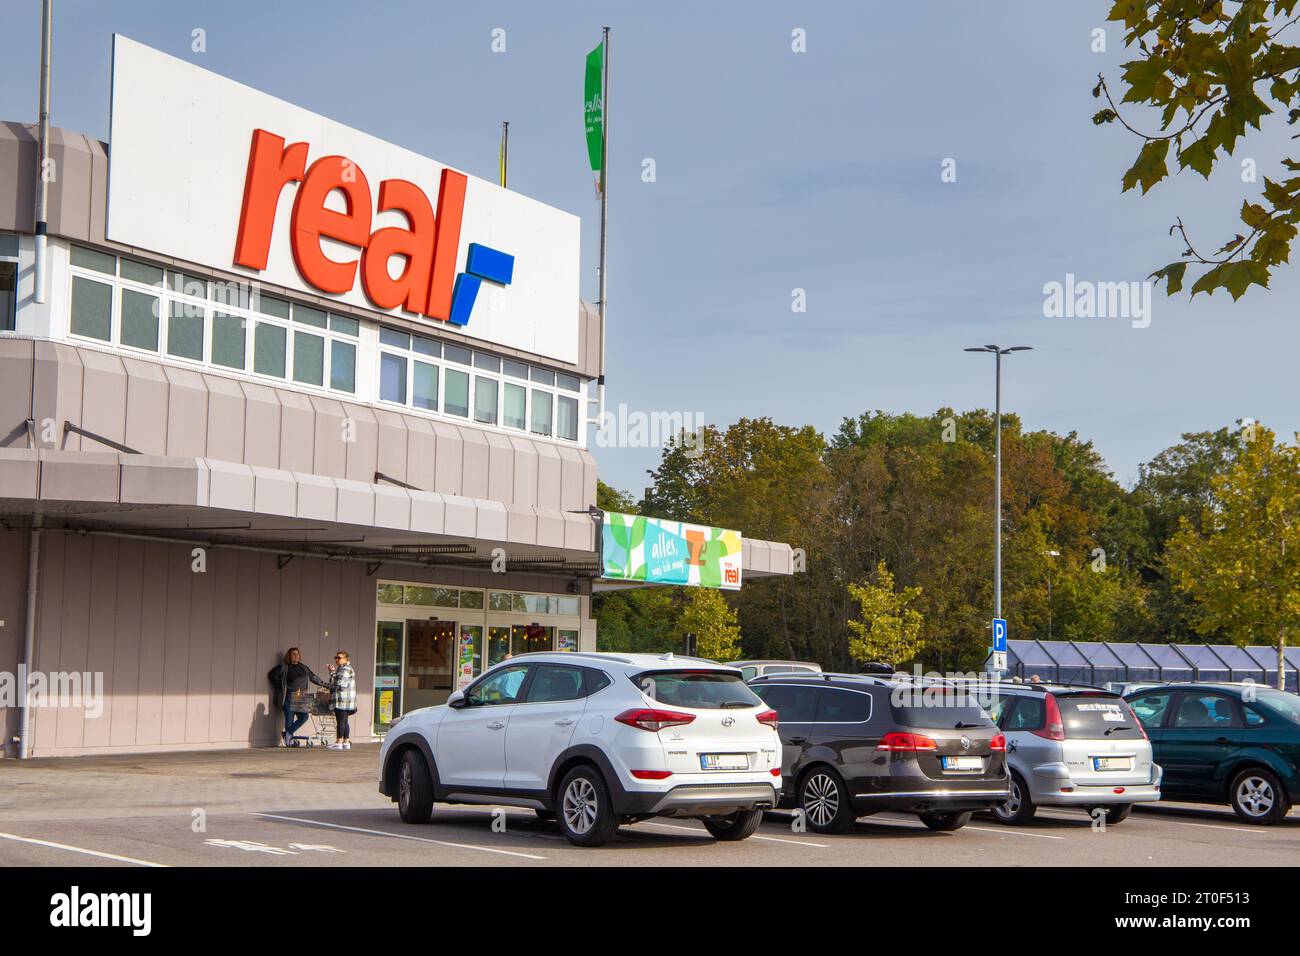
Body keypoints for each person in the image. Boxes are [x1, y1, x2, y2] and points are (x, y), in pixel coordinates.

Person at [268, 647, 329, 747]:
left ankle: (288, 734)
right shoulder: (285, 667)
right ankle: (289, 741)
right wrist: (282, 687)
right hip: (289, 697)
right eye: (293, 654)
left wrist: (324, 684)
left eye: (297, 654)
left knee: (304, 717)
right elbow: (271, 675)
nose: (296, 656)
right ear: (289, 656)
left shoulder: (303, 667)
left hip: (302, 697)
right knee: (289, 719)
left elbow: (313, 677)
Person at [326, 650, 357, 751]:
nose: (337, 659)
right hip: (344, 700)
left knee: (341, 721)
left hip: (343, 700)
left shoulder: (345, 669)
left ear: (346, 659)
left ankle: (339, 742)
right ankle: (346, 741)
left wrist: (332, 673)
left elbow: (339, 684)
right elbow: (335, 682)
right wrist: (333, 674)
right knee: (344, 721)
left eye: (339, 658)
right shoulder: (342, 669)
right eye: (336, 657)